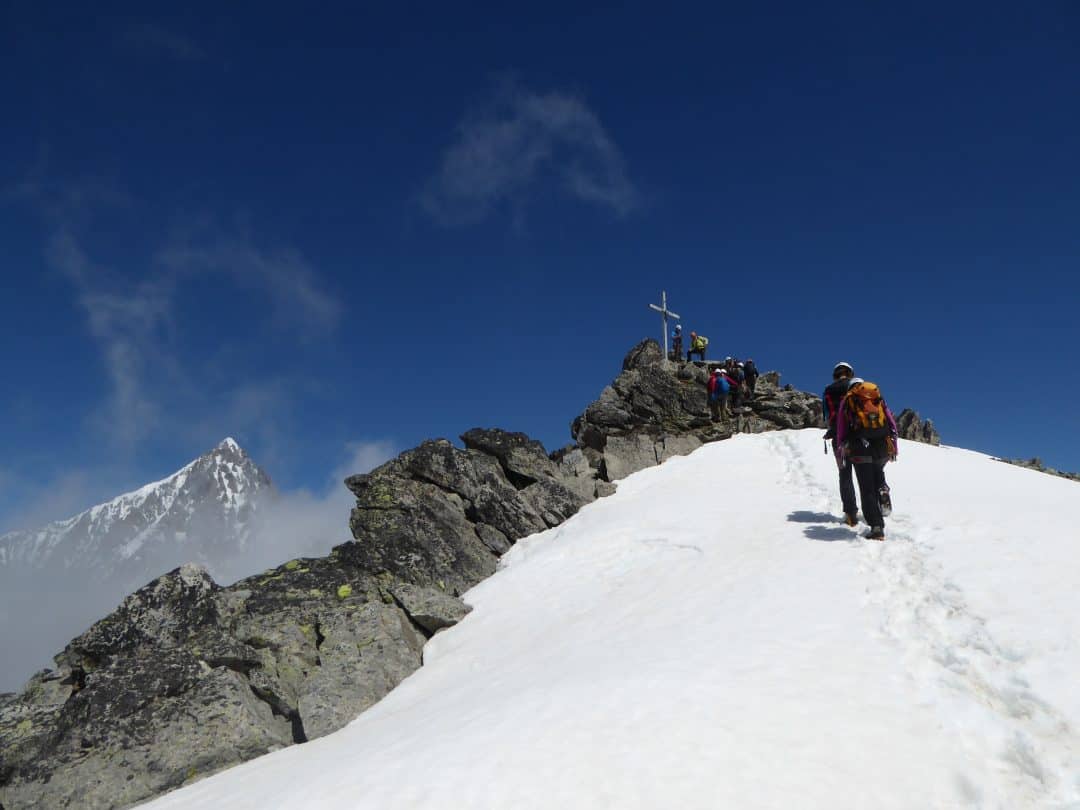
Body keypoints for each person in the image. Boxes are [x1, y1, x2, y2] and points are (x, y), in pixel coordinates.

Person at [835, 376, 899, 540]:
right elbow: (891, 422)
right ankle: (883, 488)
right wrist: (894, 445)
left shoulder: (848, 400)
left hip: (859, 448)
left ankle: (876, 527)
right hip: (882, 446)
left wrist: (842, 446)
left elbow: (841, 428)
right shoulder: (877, 399)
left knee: (866, 488)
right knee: (878, 473)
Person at [823, 362, 858, 526]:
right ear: (850, 373)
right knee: (865, 473)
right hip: (859, 435)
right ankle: (875, 510)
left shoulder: (829, 390)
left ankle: (851, 514)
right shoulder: (856, 387)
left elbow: (826, 413)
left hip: (839, 436)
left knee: (845, 474)